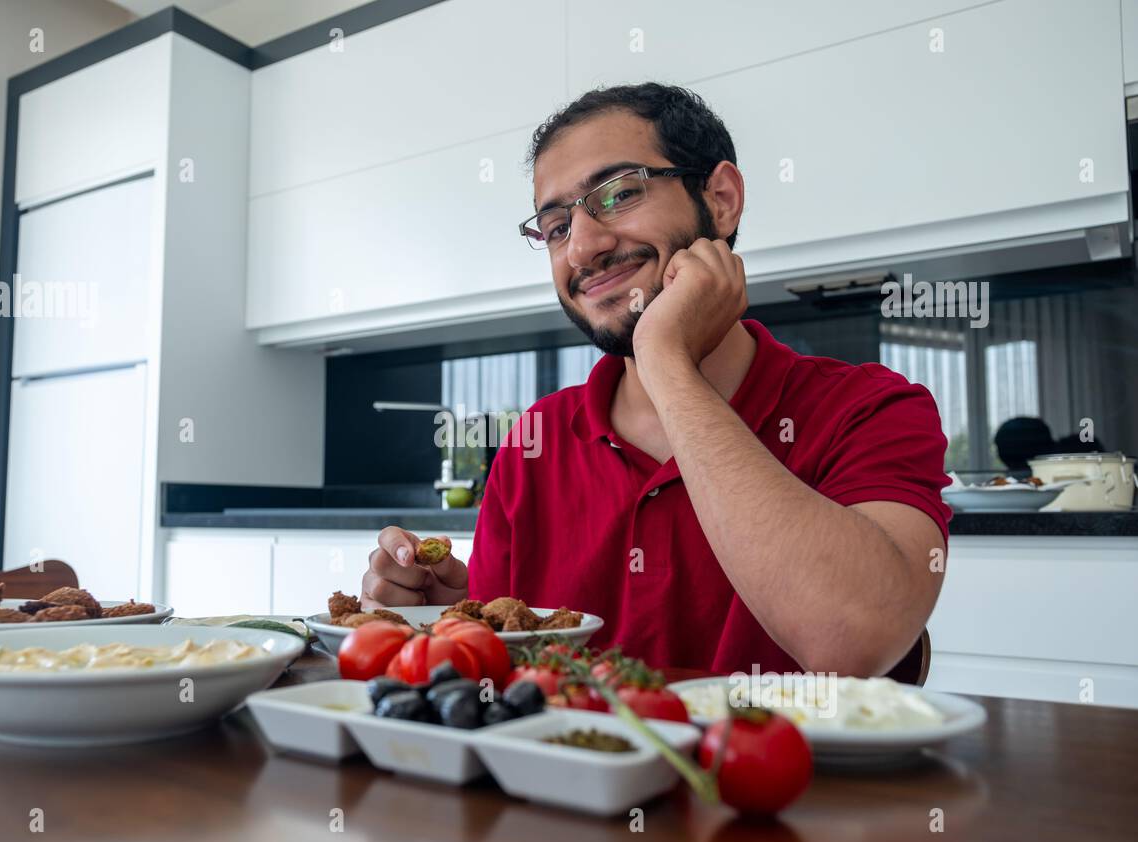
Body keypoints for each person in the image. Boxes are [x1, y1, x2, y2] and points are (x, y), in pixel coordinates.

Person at [361, 83, 951, 676]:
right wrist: (449, 623)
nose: (583, 248)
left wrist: (665, 359)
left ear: (719, 199)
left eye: (619, 194)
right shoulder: (532, 440)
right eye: (557, 226)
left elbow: (855, 642)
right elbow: (508, 683)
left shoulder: (870, 409)